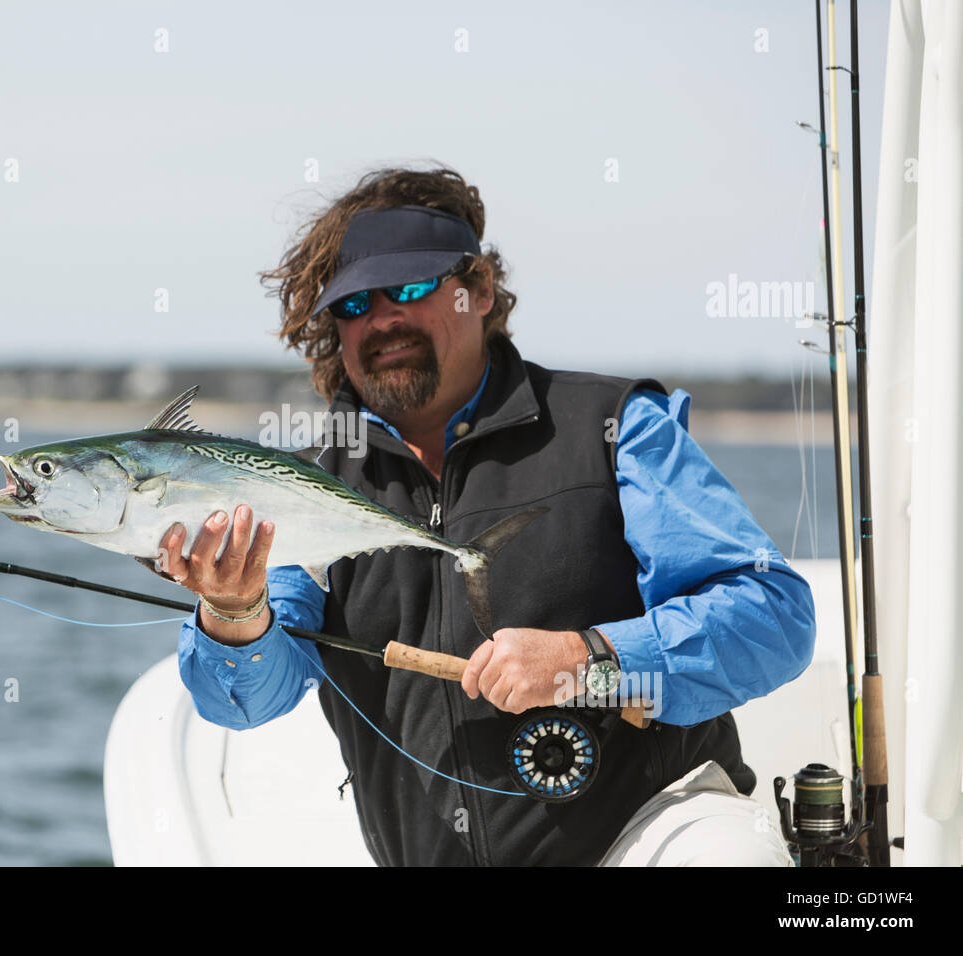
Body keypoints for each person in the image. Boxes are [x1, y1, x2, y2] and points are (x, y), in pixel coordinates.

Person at [154, 166, 815, 866]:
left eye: (409, 289)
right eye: (353, 305)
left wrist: (587, 660)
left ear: (480, 290)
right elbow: (247, 702)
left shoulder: (615, 426)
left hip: (654, 828)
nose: (383, 319)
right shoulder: (305, 483)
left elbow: (773, 616)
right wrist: (231, 614)